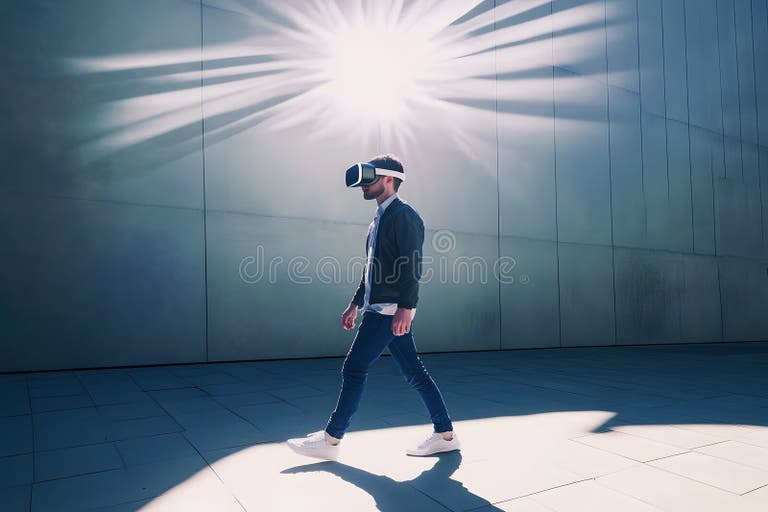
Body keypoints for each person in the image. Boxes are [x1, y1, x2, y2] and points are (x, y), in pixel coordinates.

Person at [286, 154, 459, 461]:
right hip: (378, 307)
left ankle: (331, 440)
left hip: (389, 310)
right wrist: (355, 304)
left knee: (354, 368)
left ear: (389, 179)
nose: (363, 186)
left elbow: (411, 264)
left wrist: (407, 306)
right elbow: (371, 269)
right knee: (415, 374)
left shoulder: (404, 216)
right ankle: (446, 435)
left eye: (370, 179)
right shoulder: (378, 220)